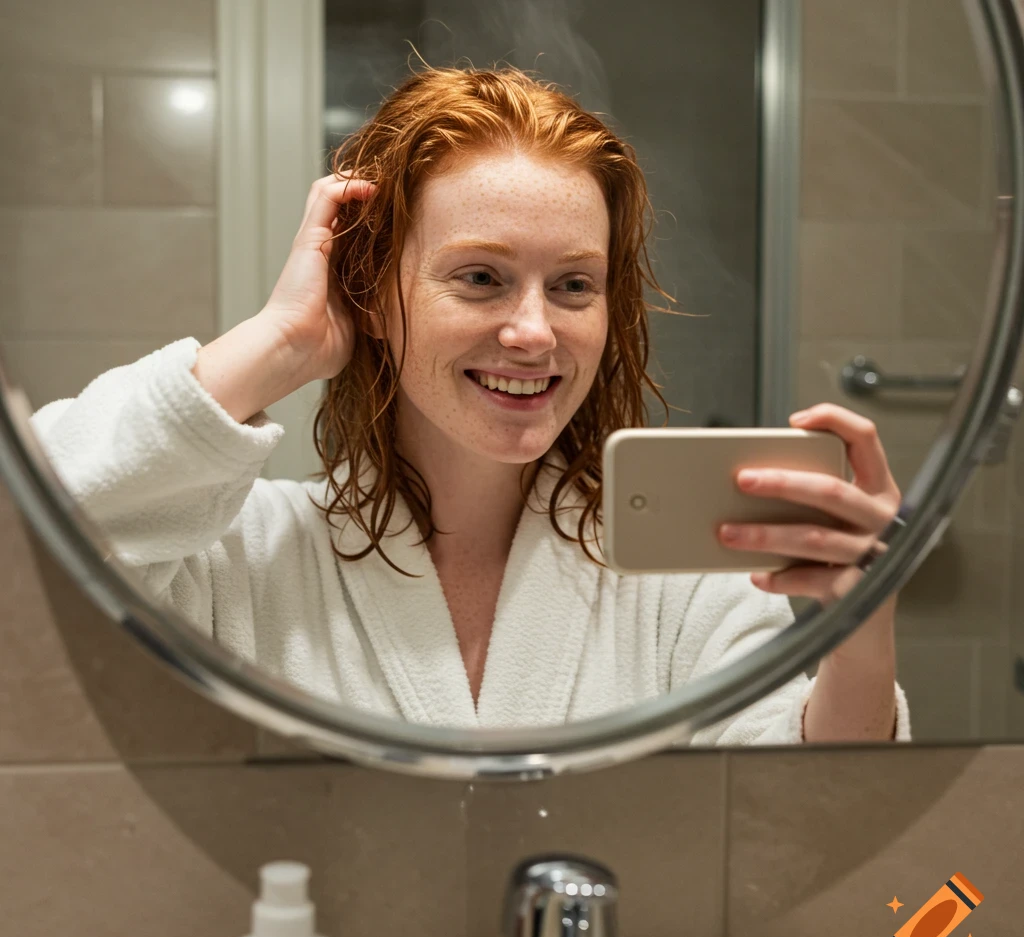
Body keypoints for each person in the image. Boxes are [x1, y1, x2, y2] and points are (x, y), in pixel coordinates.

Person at [30, 64, 910, 742]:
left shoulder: (679, 580)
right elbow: (30, 528)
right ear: (374, 294)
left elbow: (801, 809)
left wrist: (864, 629)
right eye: (481, 277)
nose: (534, 331)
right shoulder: (242, 560)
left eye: (573, 285)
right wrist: (283, 342)